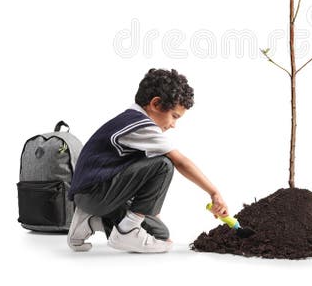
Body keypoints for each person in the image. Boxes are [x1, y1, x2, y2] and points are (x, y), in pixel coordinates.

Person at [66, 68, 229, 253]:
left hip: (92, 197)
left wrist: (152, 215)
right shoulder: (142, 126)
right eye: (174, 116)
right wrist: (214, 193)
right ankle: (128, 231)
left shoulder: (128, 119)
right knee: (164, 164)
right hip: (96, 193)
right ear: (156, 104)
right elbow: (181, 162)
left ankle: (89, 221)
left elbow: (141, 179)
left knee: (160, 234)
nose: (173, 125)